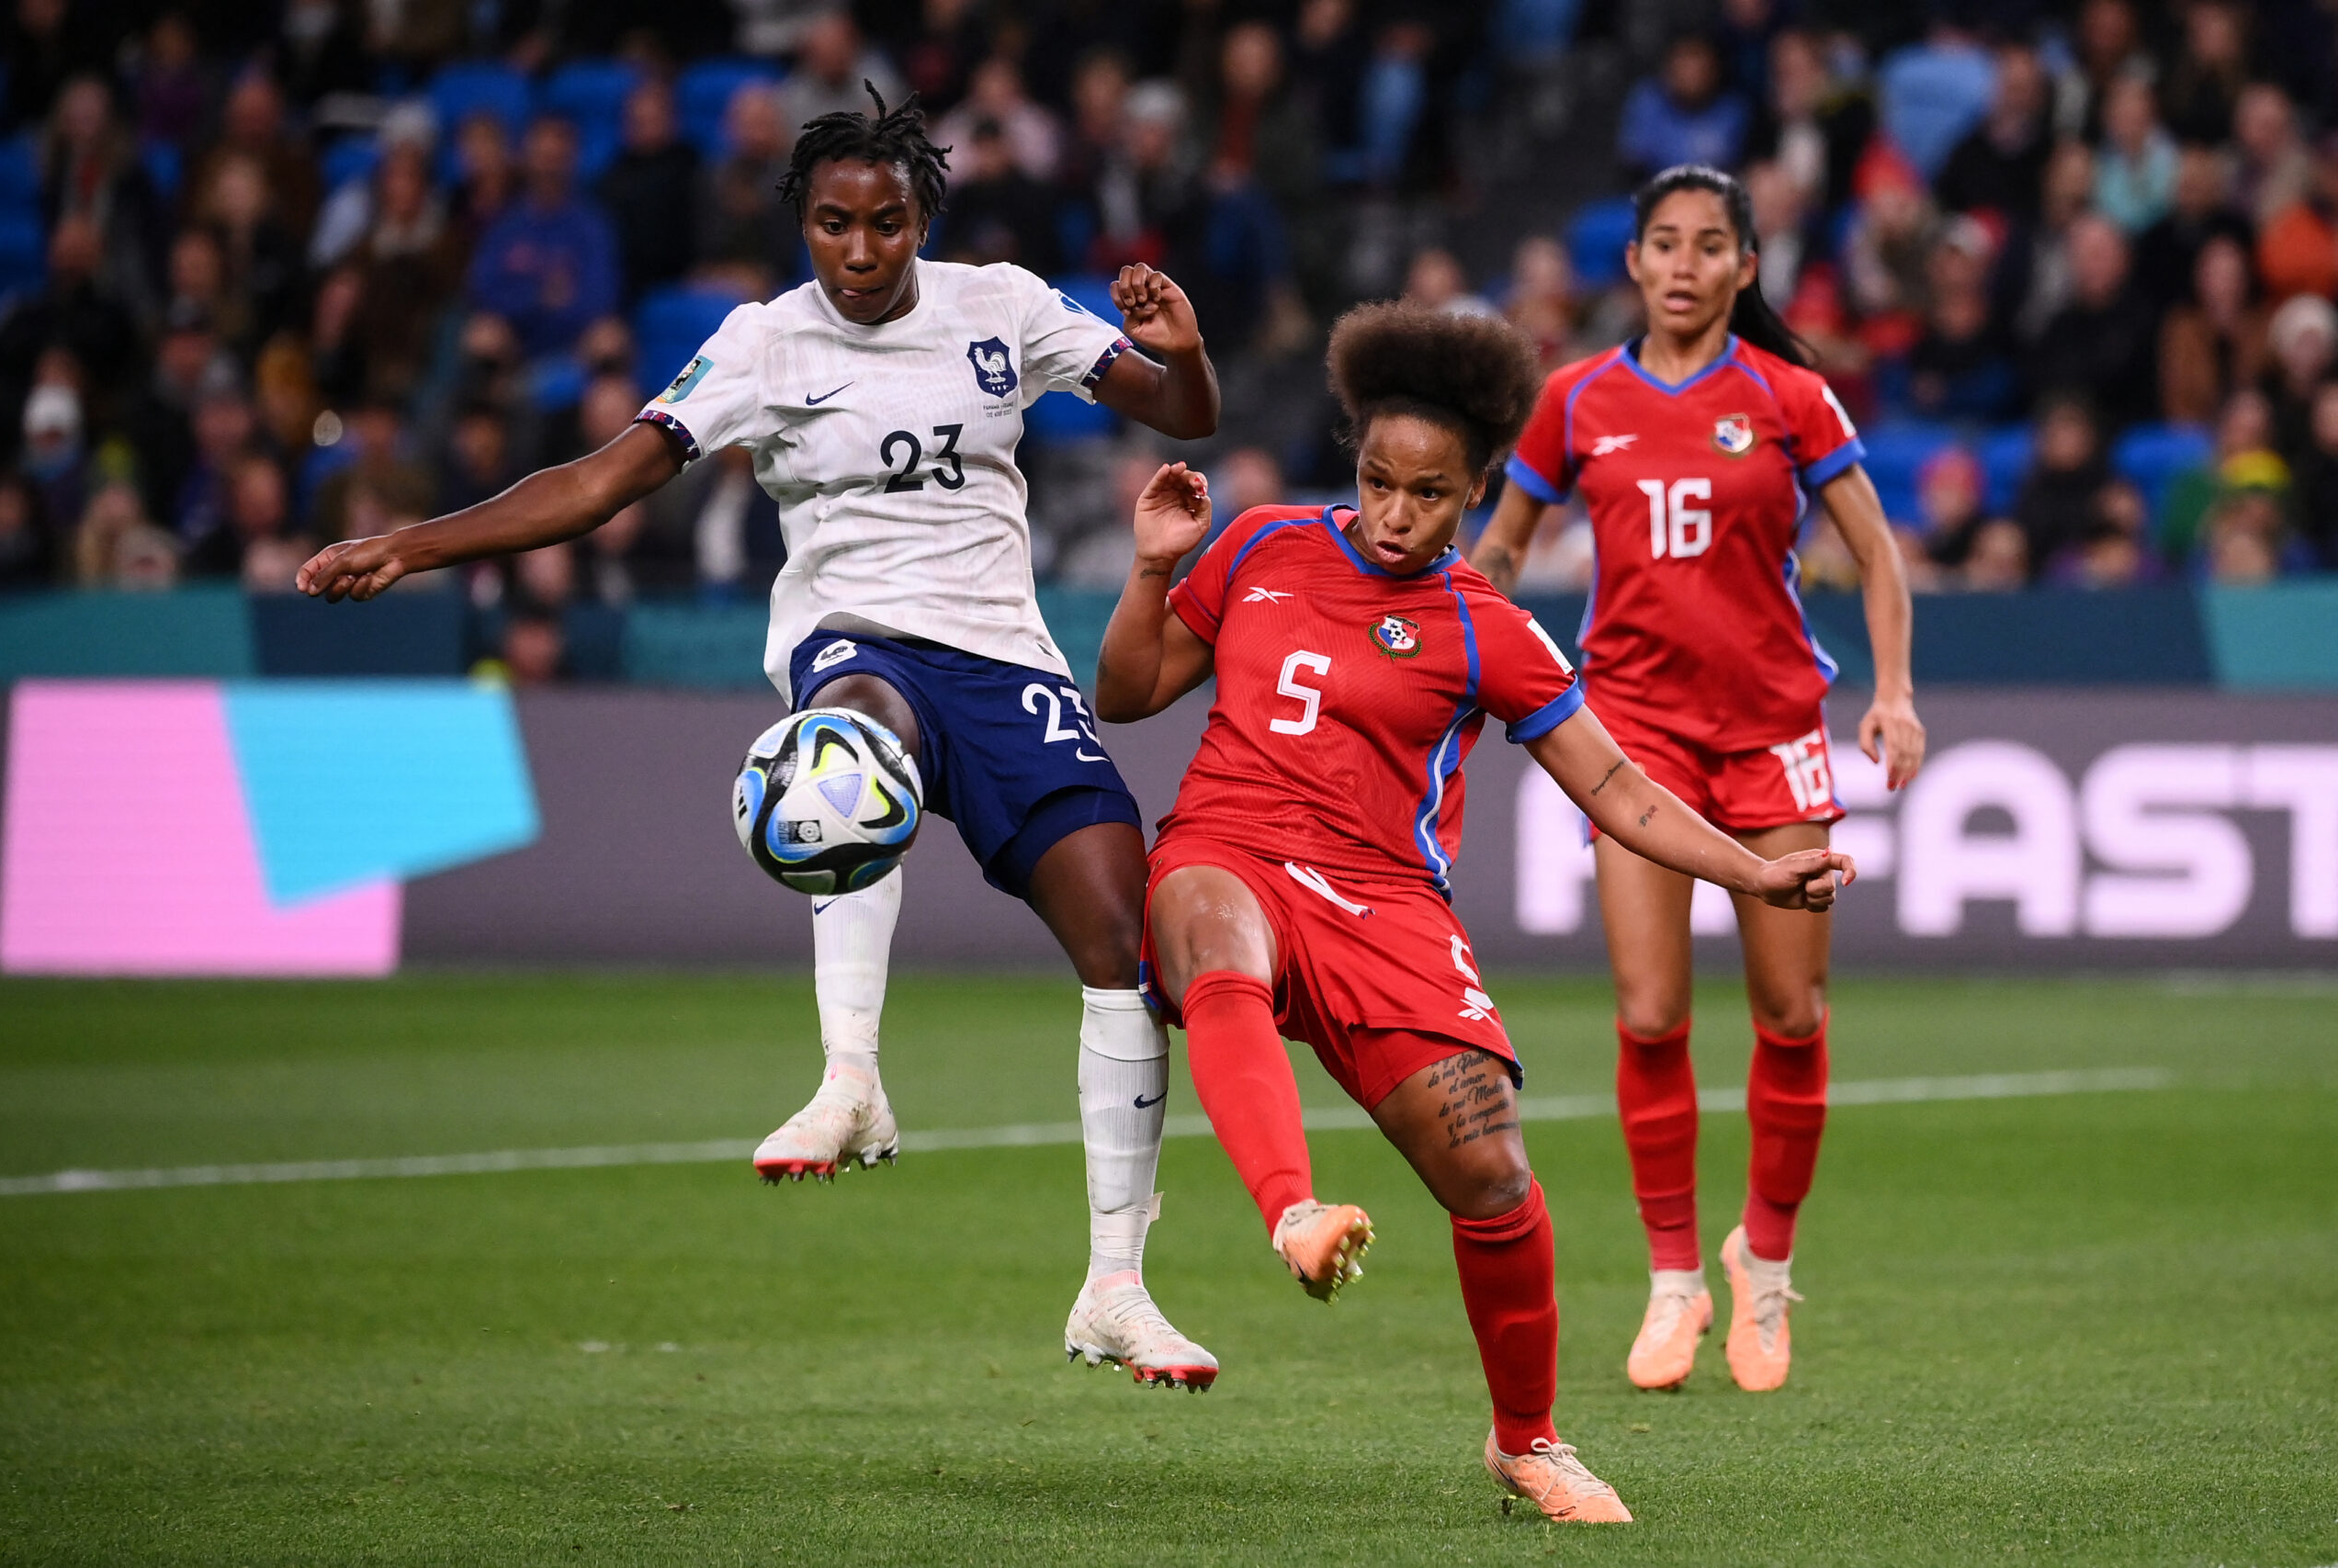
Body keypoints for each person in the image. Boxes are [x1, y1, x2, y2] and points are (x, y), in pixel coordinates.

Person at [296, 88, 1225, 1391]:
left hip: (1006, 657)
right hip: (860, 639)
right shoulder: (760, 345)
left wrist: (1181, 350)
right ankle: (850, 1077)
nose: (859, 251)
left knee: (1119, 945)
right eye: (834, 224)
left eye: (886, 224)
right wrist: (411, 543)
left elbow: (1183, 413)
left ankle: (1117, 1288)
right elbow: (601, 480)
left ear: (921, 222)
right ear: (802, 222)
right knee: (844, 760)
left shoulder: (1005, 306)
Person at [1092, 301, 1855, 1524]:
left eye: (1431, 494)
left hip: (1387, 908)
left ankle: (1528, 1442)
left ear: (1479, 494)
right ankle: (1293, 1208)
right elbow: (1126, 693)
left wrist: (1754, 873)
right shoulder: (1263, 546)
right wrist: (1151, 566)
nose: (1397, 513)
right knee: (1210, 934)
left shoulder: (1483, 626)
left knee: (1495, 1177)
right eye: (1379, 481)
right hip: (1231, 845)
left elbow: (1616, 787)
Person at [1469, 164, 1926, 1395]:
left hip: (1774, 730)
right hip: (1635, 740)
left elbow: (1877, 555)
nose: (1682, 263)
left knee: (1790, 1013)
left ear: (1744, 268)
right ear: (1633, 264)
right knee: (1651, 1012)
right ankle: (1675, 1280)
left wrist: (1890, 693)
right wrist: (1462, 633)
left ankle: (1762, 1267)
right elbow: (1503, 547)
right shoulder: (1576, 401)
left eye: (1707, 244)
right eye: (1662, 243)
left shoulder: (1788, 396)